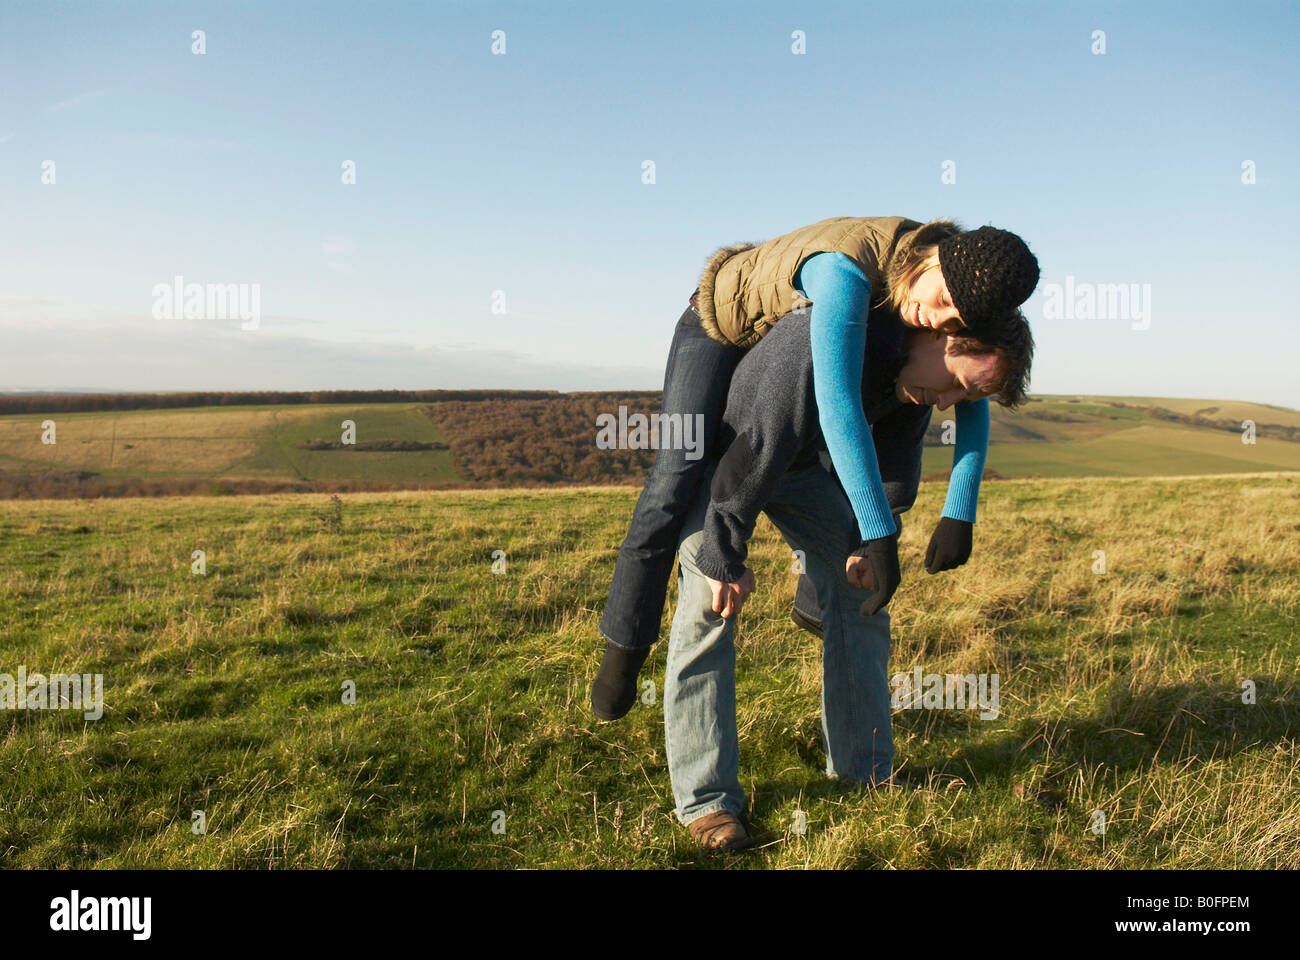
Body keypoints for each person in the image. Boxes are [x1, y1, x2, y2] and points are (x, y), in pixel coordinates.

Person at [591, 216, 1040, 721]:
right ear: (936, 258)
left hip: (791, 345)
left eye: (956, 320)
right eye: (944, 301)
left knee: (817, 446)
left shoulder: (930, 301)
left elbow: (967, 388)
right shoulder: (846, 273)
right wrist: (879, 532)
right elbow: (837, 402)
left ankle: (816, 598)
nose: (939, 319)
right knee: (676, 475)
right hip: (721, 324)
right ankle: (624, 647)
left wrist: (959, 510)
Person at [665, 307, 1034, 851]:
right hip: (724, 458)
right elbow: (752, 453)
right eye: (957, 384)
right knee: (709, 603)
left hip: (796, 470)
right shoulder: (828, 339)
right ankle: (708, 804)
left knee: (864, 591)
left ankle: (866, 769)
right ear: (939, 332)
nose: (950, 403)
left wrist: (867, 544)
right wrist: (723, 558)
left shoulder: (915, 382)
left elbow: (892, 469)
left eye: (965, 398)